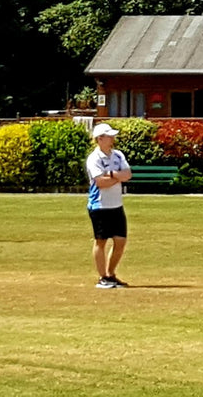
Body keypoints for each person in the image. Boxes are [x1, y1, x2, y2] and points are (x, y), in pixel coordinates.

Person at [86, 123, 132, 289]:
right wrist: (118, 178)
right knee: (101, 241)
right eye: (109, 136)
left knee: (120, 241)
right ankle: (102, 277)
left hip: (116, 205)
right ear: (100, 139)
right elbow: (100, 182)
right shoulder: (94, 158)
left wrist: (111, 174)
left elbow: (128, 174)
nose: (112, 138)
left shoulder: (118, 155)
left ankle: (111, 274)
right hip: (100, 205)